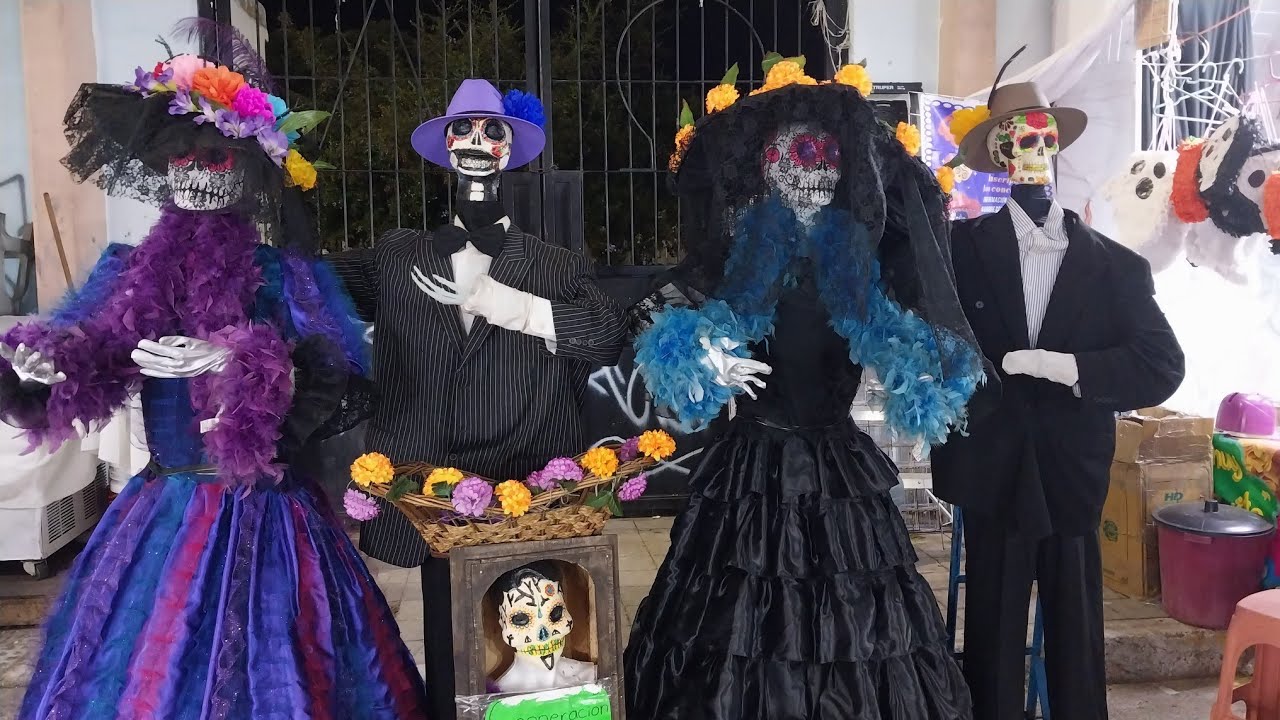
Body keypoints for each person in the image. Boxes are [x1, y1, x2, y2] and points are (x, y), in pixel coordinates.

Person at [9, 24, 427, 719]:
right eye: (181, 155)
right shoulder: (130, 271)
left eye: (217, 158)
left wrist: (246, 360)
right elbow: (98, 356)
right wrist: (47, 368)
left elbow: (340, 386)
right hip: (163, 505)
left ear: (247, 170)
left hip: (266, 507)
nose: (196, 172)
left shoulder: (281, 275)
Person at [622, 56, 987, 719]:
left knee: (855, 608)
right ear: (768, 165)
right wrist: (707, 357)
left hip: (836, 463)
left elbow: (892, 336)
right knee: (736, 615)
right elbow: (675, 318)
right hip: (751, 466)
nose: (814, 168)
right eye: (797, 153)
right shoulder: (746, 259)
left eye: (827, 155)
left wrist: (918, 381)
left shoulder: (856, 267)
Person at [327, 78, 627, 719]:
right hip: (428, 491)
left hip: (526, 490)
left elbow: (606, 335)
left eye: (493, 130)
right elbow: (307, 287)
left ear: (510, 148)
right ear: (445, 146)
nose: (476, 140)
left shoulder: (553, 264)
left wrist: (507, 304)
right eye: (462, 129)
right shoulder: (398, 257)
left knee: (528, 638)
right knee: (449, 642)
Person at [931, 70, 1185, 720]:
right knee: (992, 633)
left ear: (1057, 143)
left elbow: (1161, 365)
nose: (1033, 147)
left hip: (1071, 471)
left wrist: (1067, 367)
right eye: (1017, 135)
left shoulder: (1115, 266)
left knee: (1076, 634)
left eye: (1043, 133)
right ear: (997, 150)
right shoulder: (958, 251)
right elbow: (921, 326)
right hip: (990, 468)